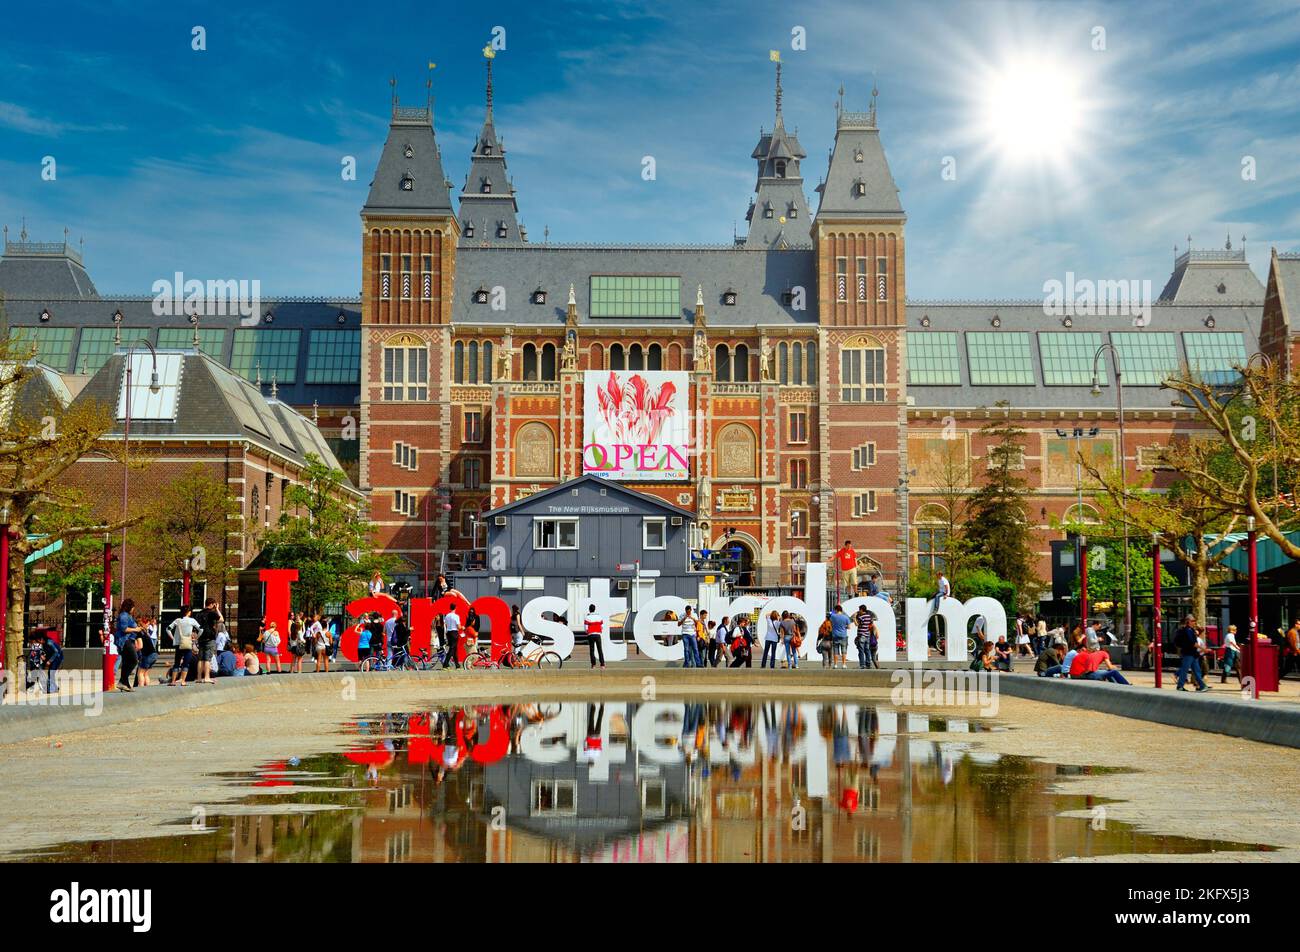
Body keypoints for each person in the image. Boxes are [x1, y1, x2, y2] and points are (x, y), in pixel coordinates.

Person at [1174, 615, 1210, 692]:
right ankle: (1180, 686)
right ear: (1188, 621)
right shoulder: (1188, 631)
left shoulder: (1190, 630)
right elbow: (1193, 643)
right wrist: (1204, 649)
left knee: (1196, 670)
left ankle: (1202, 685)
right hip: (1189, 653)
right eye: (1193, 621)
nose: (1194, 622)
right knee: (1185, 669)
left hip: (1192, 653)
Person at [167, 606, 200, 686]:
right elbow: (201, 629)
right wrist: (196, 637)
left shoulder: (177, 620)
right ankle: (183, 681)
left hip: (178, 644)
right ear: (188, 612)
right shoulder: (192, 620)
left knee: (177, 662)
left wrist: (173, 638)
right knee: (186, 663)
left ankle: (173, 681)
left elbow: (168, 629)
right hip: (188, 644)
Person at [114, 598, 143, 685]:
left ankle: (124, 682)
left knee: (126, 661)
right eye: (133, 607)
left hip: (129, 640)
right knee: (134, 660)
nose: (133, 609)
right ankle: (123, 680)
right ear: (129, 607)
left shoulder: (127, 616)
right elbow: (124, 629)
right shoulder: (124, 615)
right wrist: (136, 629)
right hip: (125, 641)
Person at [195, 598, 222, 684]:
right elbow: (221, 619)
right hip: (209, 637)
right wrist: (217, 609)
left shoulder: (199, 613)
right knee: (207, 659)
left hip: (201, 637)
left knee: (200, 658)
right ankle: (206, 677)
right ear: (212, 604)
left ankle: (199, 677)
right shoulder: (211, 613)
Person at [136, 615, 159, 687]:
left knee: (140, 673)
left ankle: (141, 688)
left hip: (148, 655)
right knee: (145, 673)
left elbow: (140, 646)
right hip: (154, 654)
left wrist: (134, 650)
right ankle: (147, 689)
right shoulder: (145, 633)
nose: (148, 625)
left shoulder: (139, 633)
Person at [584, 603, 607, 669]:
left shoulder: (587, 617)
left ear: (589, 610)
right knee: (600, 650)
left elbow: (586, 628)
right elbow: (602, 626)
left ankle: (593, 665)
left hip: (591, 635)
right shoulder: (599, 617)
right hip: (598, 634)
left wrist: (588, 633)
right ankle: (602, 665)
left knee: (592, 650)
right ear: (595, 609)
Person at [829, 603, 851, 670]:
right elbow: (849, 627)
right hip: (843, 635)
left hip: (835, 635)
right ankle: (844, 664)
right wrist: (844, 627)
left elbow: (830, 624)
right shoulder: (845, 617)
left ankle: (835, 664)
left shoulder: (833, 616)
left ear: (836, 610)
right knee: (844, 650)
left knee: (835, 650)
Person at [854, 604, 875, 669]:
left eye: (859, 609)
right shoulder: (869, 616)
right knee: (867, 650)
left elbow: (856, 624)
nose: (858, 611)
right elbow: (871, 624)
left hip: (861, 635)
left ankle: (862, 665)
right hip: (867, 635)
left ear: (861, 609)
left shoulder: (861, 617)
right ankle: (868, 664)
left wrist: (854, 618)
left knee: (861, 650)